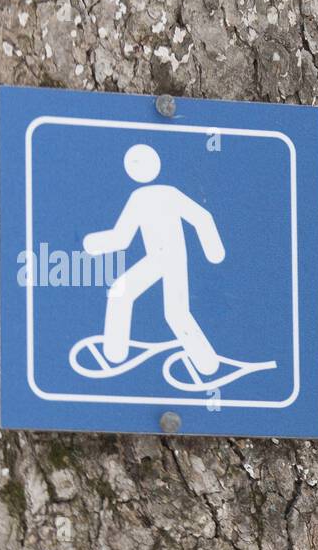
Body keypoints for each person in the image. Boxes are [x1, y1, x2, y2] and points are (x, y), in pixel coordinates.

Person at [83, 143, 225, 376]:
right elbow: (122, 237)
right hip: (157, 258)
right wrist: (94, 244)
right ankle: (115, 353)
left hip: (172, 259)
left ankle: (207, 363)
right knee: (125, 294)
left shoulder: (167, 194)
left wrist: (214, 250)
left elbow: (201, 217)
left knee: (173, 311)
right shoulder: (139, 197)